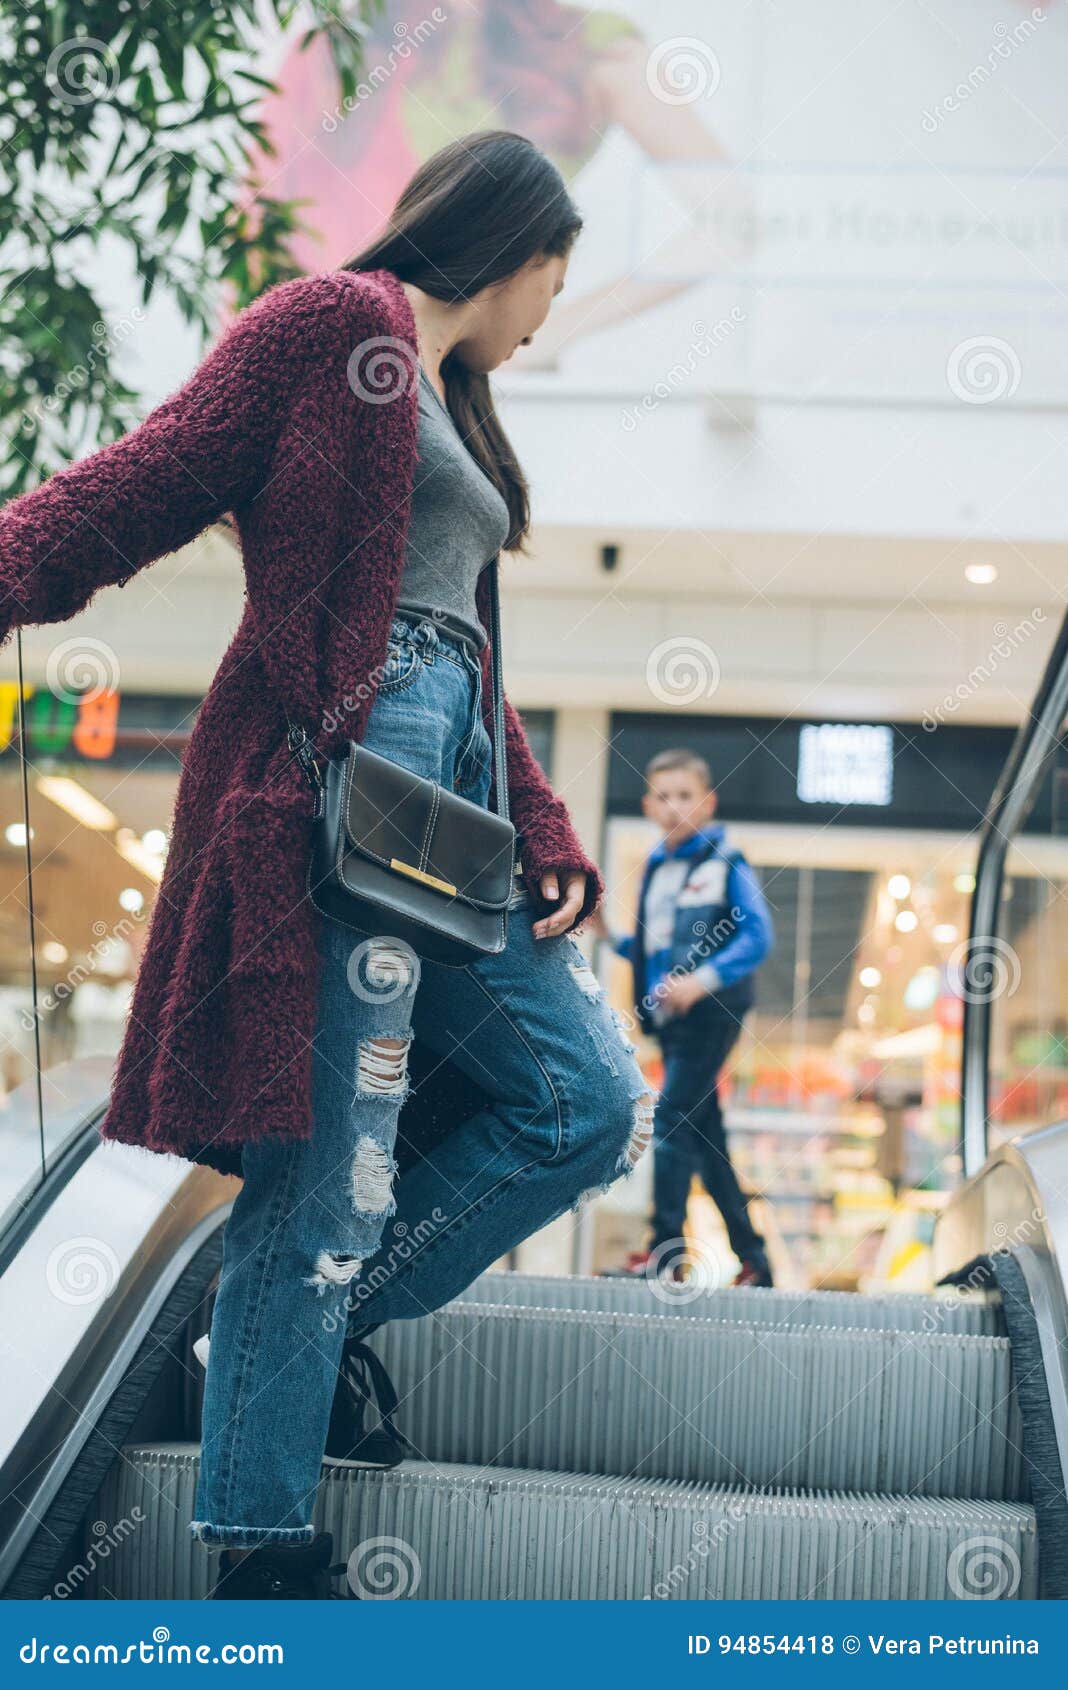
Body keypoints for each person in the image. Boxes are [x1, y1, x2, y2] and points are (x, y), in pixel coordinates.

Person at [0, 131, 655, 1598]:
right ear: (514, 247)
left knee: (583, 1101)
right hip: (333, 795)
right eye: (558, 271)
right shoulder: (331, 328)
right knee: (327, 1173)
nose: (555, 304)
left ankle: (292, 1326)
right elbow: (141, 479)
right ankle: (260, 1536)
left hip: (453, 789)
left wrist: (540, 824)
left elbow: (467, 652)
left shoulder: (457, 397)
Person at [594, 748, 774, 1289]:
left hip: (713, 1012)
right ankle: (756, 1259)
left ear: (708, 802)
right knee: (704, 1137)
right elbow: (659, 952)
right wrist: (610, 936)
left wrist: (702, 981)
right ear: (649, 804)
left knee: (670, 1122)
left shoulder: (727, 861)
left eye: (685, 796)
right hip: (671, 1022)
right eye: (664, 796)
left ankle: (666, 1256)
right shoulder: (656, 866)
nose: (674, 807)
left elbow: (758, 937)